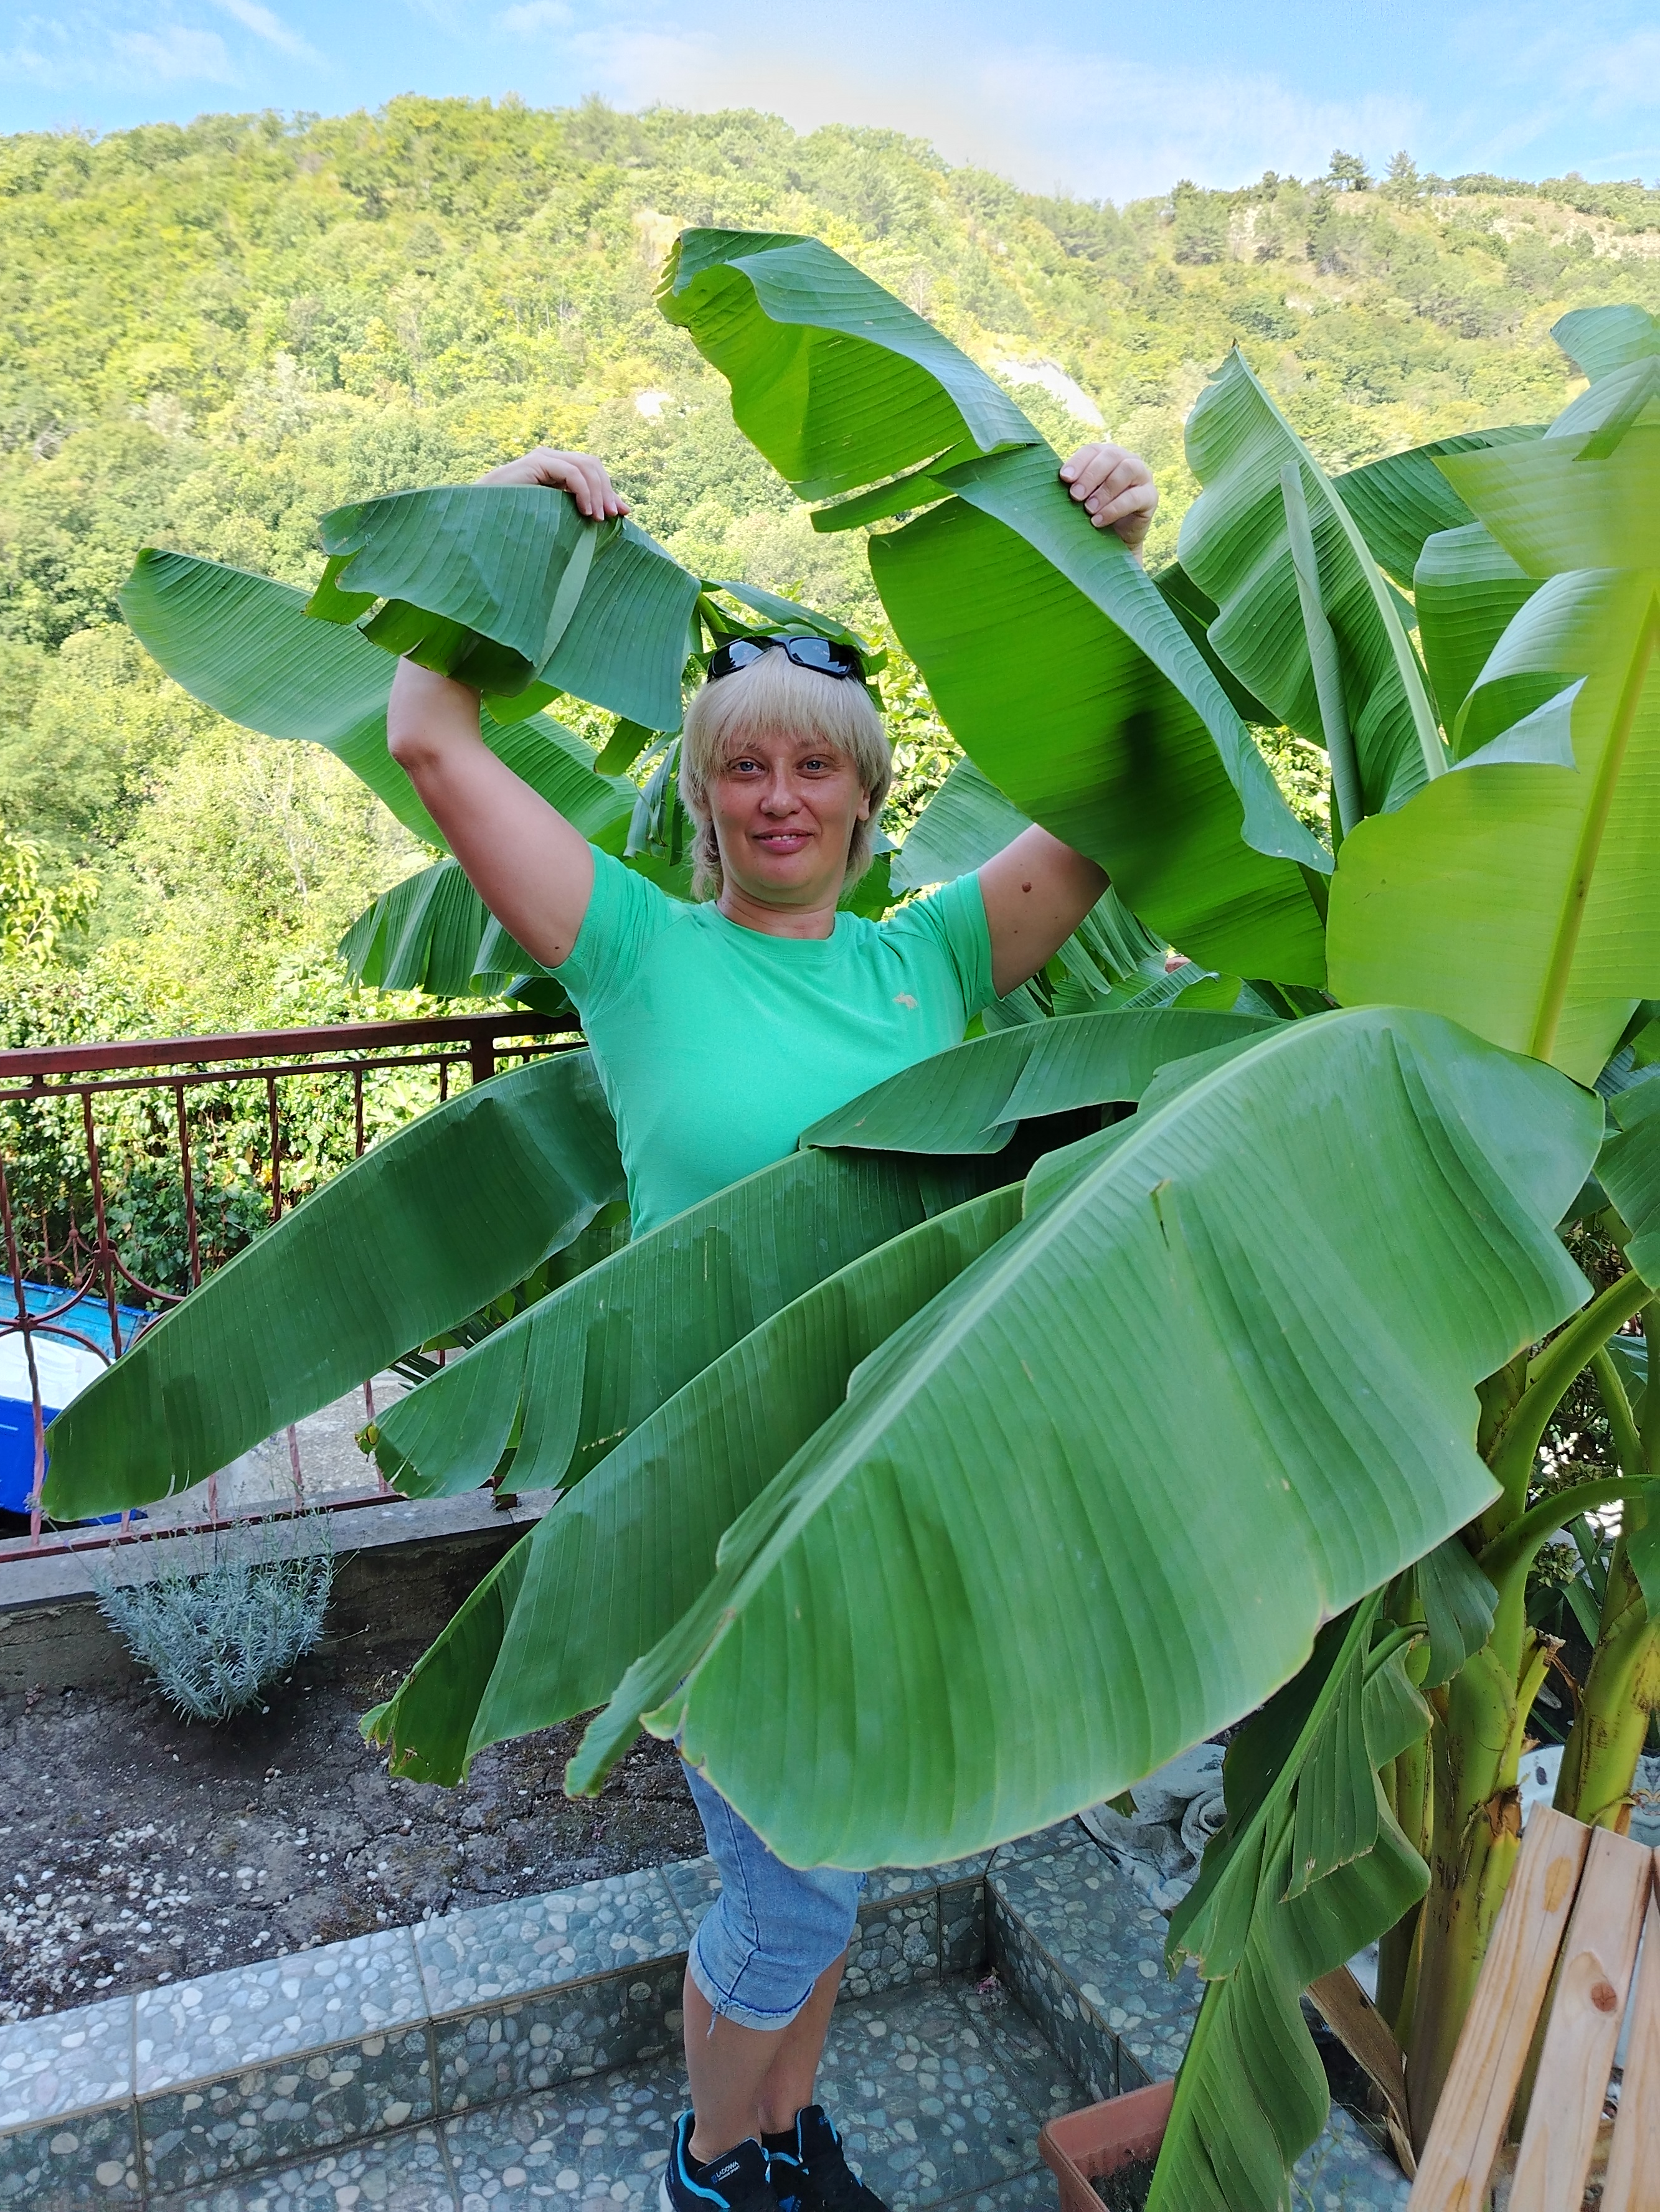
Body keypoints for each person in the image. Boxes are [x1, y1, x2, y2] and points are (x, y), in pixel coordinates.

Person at [387, 436, 1159, 2212]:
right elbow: (435, 739)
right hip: (714, 1509)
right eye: (747, 766)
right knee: (791, 1884)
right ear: (706, 795)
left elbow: (1122, 797)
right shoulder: (640, 951)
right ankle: (722, 2160)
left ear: (874, 802)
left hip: (890, 1488)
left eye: (821, 765)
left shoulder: (936, 958)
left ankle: (781, 2140)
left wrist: (1106, 558)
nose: (783, 795)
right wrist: (514, 538)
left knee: (831, 1865)